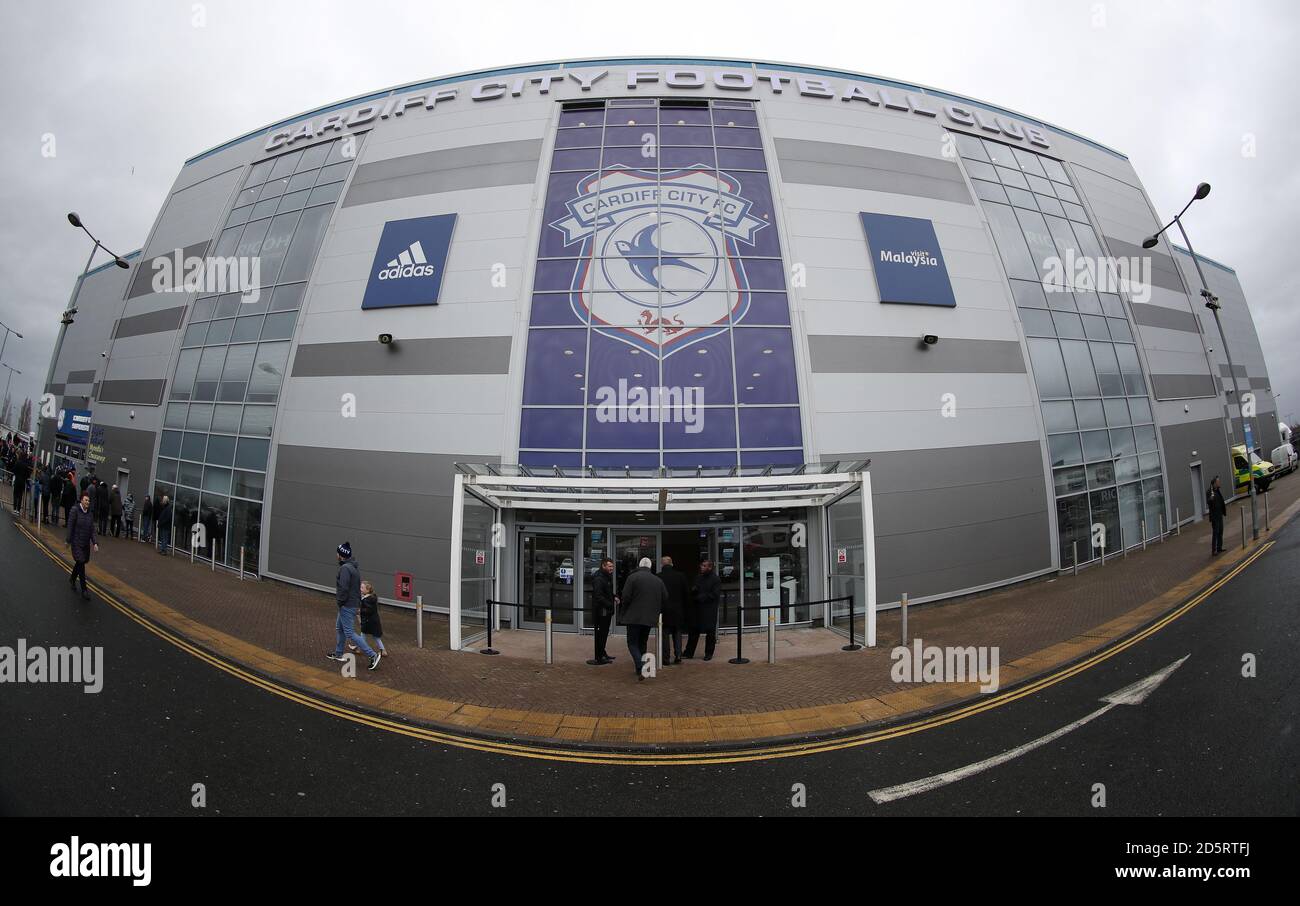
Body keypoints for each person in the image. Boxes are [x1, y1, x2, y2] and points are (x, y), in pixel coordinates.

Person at [327, 542, 380, 670]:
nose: (336, 555)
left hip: (346, 605)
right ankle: (338, 653)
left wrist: (340, 602)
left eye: (337, 553)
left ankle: (372, 655)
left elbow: (344, 588)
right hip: (350, 604)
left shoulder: (345, 569)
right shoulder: (353, 568)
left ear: (341, 555)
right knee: (339, 628)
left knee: (350, 633)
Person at [618, 557, 665, 681]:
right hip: (649, 617)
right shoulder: (658, 580)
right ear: (650, 567)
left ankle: (641, 665)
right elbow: (665, 597)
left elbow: (626, 596)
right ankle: (639, 669)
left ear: (639, 566)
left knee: (632, 643)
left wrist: (624, 612)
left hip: (633, 616)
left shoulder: (632, 578)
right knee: (642, 642)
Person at [684, 559, 722, 661]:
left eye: (704, 566)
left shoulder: (715, 579)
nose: (702, 567)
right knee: (694, 631)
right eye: (701, 565)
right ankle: (689, 652)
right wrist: (693, 591)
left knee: (710, 632)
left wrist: (702, 597)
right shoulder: (698, 577)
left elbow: (714, 594)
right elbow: (694, 589)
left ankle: (708, 653)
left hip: (709, 610)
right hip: (697, 609)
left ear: (710, 567)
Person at [66, 491, 98, 600]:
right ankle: (84, 589)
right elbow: (70, 526)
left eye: (89, 500)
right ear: (81, 500)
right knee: (81, 563)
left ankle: (72, 578)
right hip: (76, 543)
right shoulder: (75, 510)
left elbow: (92, 530)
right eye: (86, 500)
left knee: (80, 562)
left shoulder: (90, 514)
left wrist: (95, 543)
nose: (87, 502)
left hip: (85, 544)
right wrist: (68, 540)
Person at [658, 555, 688, 666]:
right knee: (677, 633)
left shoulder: (658, 577)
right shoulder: (680, 576)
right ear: (672, 564)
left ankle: (666, 658)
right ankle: (678, 655)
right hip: (678, 610)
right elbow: (686, 594)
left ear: (662, 565)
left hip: (664, 610)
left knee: (665, 633)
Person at [588, 558, 618, 666]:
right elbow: (598, 596)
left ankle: (602, 653)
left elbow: (607, 592)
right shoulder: (599, 578)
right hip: (602, 611)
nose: (612, 568)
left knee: (604, 634)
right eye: (610, 566)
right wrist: (609, 603)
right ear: (603, 566)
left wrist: (614, 597)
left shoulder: (606, 577)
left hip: (606, 610)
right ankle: (599, 657)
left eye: (612, 566)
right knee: (601, 634)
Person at [351, 580, 388, 660]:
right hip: (372, 621)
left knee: (365, 634)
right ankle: (382, 650)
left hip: (369, 621)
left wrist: (360, 611)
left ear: (367, 590)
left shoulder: (367, 600)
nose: (360, 589)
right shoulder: (370, 598)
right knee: (373, 636)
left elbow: (369, 610)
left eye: (362, 588)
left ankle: (360, 648)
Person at [1207, 476, 1227, 555]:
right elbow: (1208, 501)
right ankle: (1214, 550)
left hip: (1219, 514)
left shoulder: (1217, 490)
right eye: (1218, 482)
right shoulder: (1210, 492)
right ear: (1214, 483)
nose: (1219, 483)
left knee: (1220, 531)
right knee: (1215, 532)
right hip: (1214, 516)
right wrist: (1211, 499)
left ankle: (1219, 547)